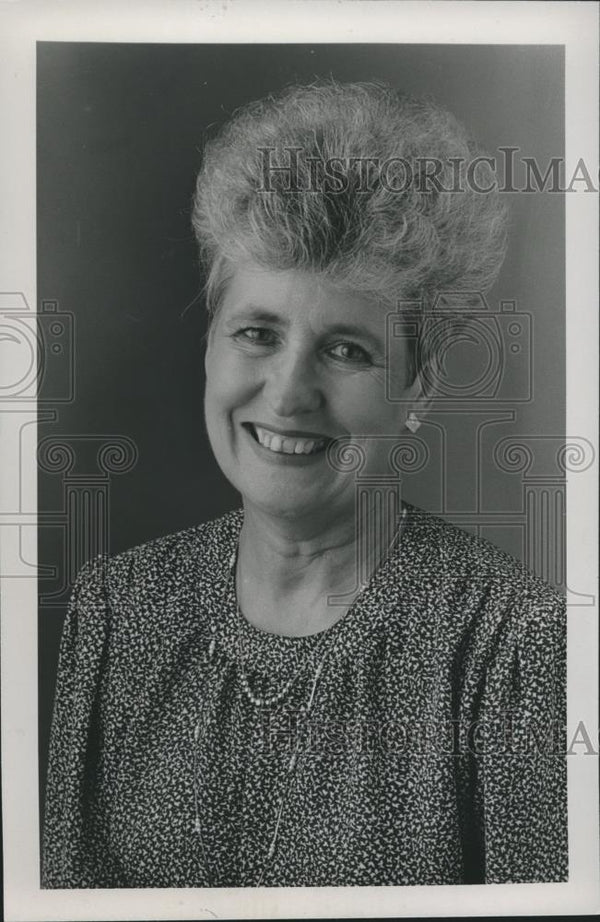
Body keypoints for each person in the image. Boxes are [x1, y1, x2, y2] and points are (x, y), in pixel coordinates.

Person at [42, 81, 567, 888]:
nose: (288, 395)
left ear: (418, 388)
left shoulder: (512, 646)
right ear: (211, 347)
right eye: (257, 333)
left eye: (346, 350)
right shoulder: (116, 611)